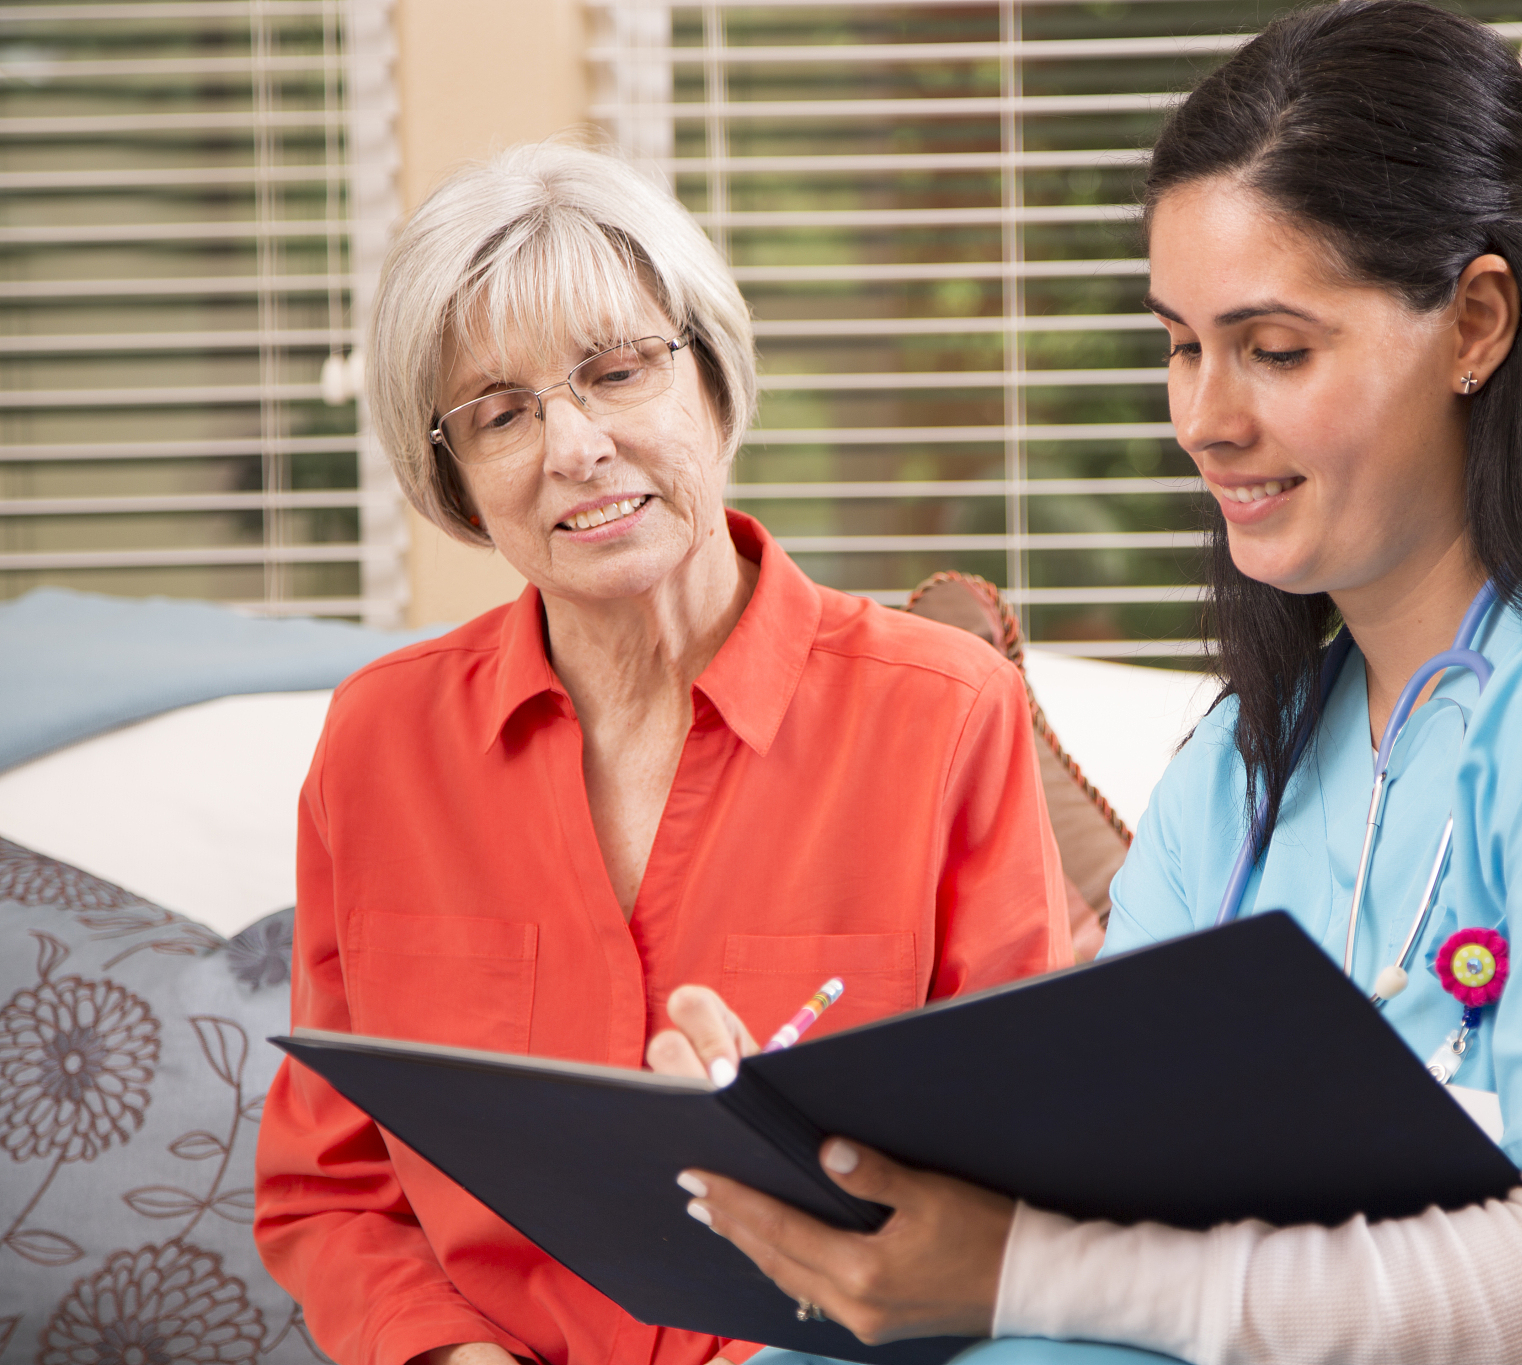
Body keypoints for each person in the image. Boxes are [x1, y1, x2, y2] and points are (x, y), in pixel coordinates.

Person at [662, 5, 1522, 1364]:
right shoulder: (1244, 772)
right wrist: (824, 1166)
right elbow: (1123, 1174)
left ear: (1477, 324)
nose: (1207, 416)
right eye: (1180, 343)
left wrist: (1022, 1266)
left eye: (1276, 349)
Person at [251, 143, 1072, 1365]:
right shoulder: (380, 742)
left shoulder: (941, 713)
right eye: (502, 413)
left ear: (714, 384)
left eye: (617, 372)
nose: (575, 445)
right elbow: (334, 1190)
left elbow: (1026, 1167)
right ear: (458, 480)